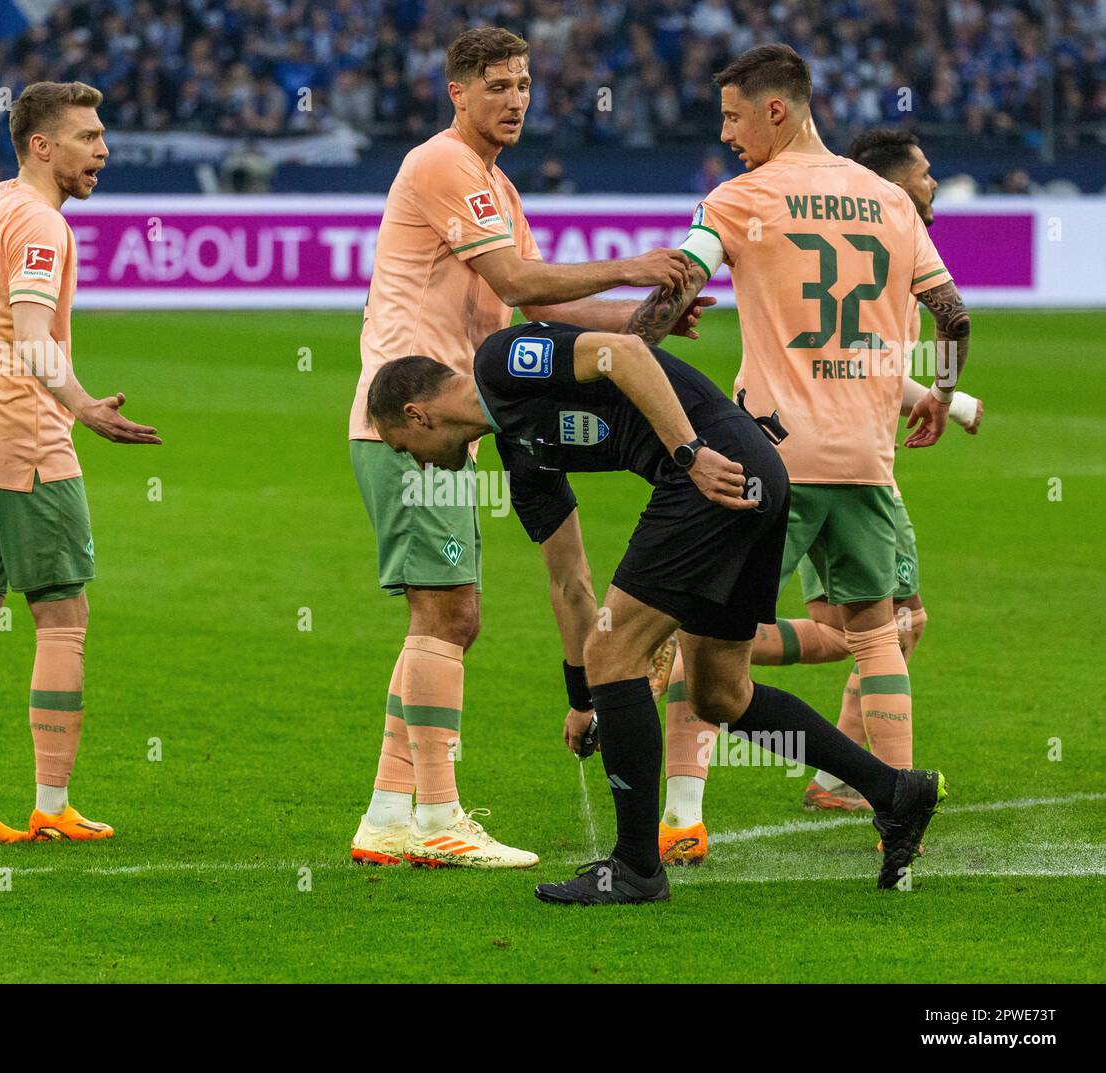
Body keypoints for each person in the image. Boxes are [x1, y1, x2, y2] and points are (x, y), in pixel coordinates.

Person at [364, 323, 948, 904]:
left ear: (418, 415)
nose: (414, 463)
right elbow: (571, 583)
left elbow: (623, 351)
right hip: (749, 477)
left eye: (400, 447)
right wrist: (581, 698)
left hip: (709, 473)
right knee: (720, 692)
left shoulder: (499, 361)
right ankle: (894, 792)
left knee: (615, 651)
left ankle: (636, 867)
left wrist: (688, 453)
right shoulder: (521, 460)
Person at [612, 45, 971, 869]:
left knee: (702, 647)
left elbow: (676, 287)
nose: (728, 135)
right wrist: (943, 398)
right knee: (880, 632)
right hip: (866, 460)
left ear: (777, 110)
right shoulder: (889, 200)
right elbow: (953, 317)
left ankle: (683, 816)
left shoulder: (738, 199)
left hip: (768, 460)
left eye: (734, 116)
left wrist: (621, 355)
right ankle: (895, 800)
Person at [348, 26, 697, 870]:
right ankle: (438, 813)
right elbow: (518, 284)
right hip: (414, 422)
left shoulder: (495, 186)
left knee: (441, 617)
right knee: (449, 615)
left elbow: (534, 312)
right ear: (457, 92)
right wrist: (630, 266)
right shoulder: (443, 165)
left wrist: (640, 319)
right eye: (497, 86)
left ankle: (391, 815)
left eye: (524, 85)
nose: (515, 100)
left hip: (453, 422)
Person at [0, 81, 160, 846]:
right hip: (20, 438)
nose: (102, 150)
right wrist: (84, 405)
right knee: (63, 618)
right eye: (87, 137)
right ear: (41, 145)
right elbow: (32, 335)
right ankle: (51, 802)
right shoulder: (40, 224)